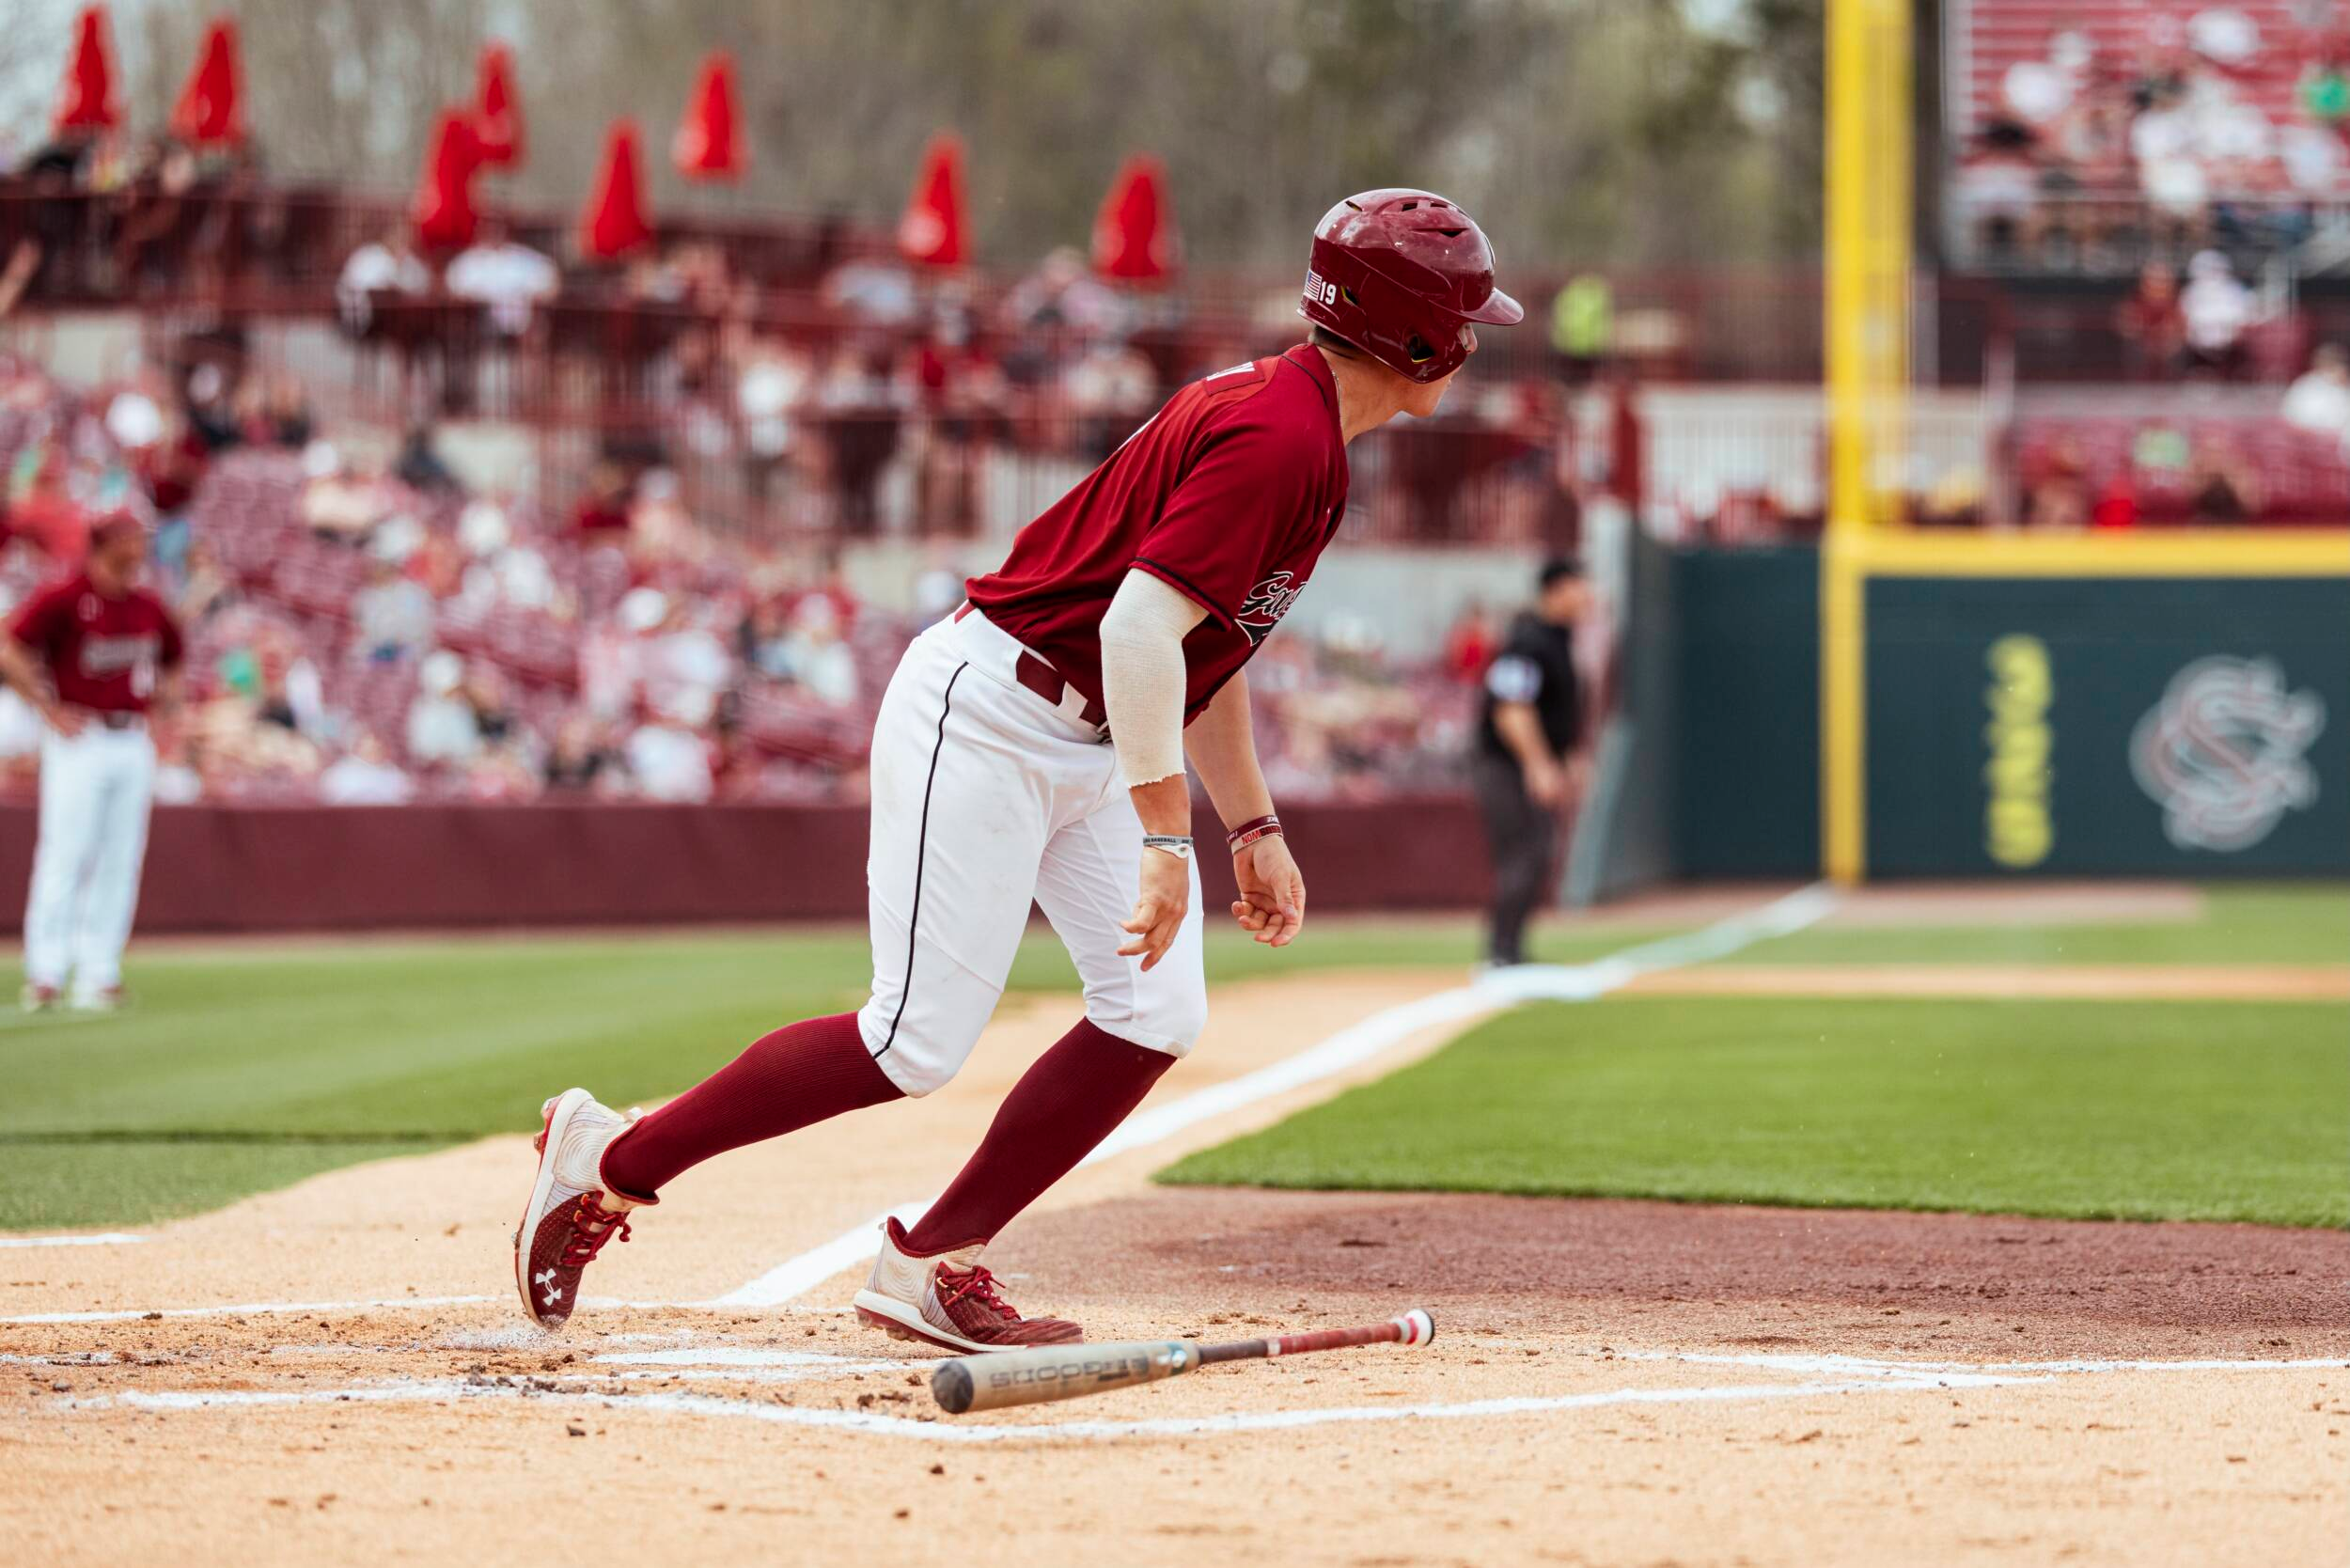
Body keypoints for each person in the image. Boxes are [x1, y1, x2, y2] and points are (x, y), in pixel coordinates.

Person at [510, 188, 1525, 1349]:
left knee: (1153, 1013)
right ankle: (612, 1157)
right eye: (1463, 322)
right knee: (911, 1042)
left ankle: (929, 1263)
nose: (1472, 343)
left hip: (1090, 728)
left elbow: (1198, 653)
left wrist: (1251, 829)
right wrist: (1161, 837)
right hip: (994, 716)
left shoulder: (1300, 429)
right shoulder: (1282, 436)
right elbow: (1138, 635)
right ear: (1414, 337)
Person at [0, 514, 184, 1011]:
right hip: (81, 737)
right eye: (129, 538)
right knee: (66, 852)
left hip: (132, 738)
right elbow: (9, 646)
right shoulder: (67, 596)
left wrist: (168, 706)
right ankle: (46, 970)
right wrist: (46, 707)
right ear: (104, 544)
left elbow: (174, 656)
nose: (139, 547)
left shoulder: (147, 604)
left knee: (121, 857)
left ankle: (100, 970)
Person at [1471, 557, 1590, 969]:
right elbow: (1511, 709)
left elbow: (1557, 711)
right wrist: (1538, 764)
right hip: (1506, 766)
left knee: (1536, 854)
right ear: (1556, 590)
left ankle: (1512, 950)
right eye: (1580, 586)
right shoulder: (1529, 641)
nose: (1588, 596)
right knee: (1522, 854)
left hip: (1526, 763)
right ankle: (1501, 954)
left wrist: (1567, 758)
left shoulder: (1557, 639)